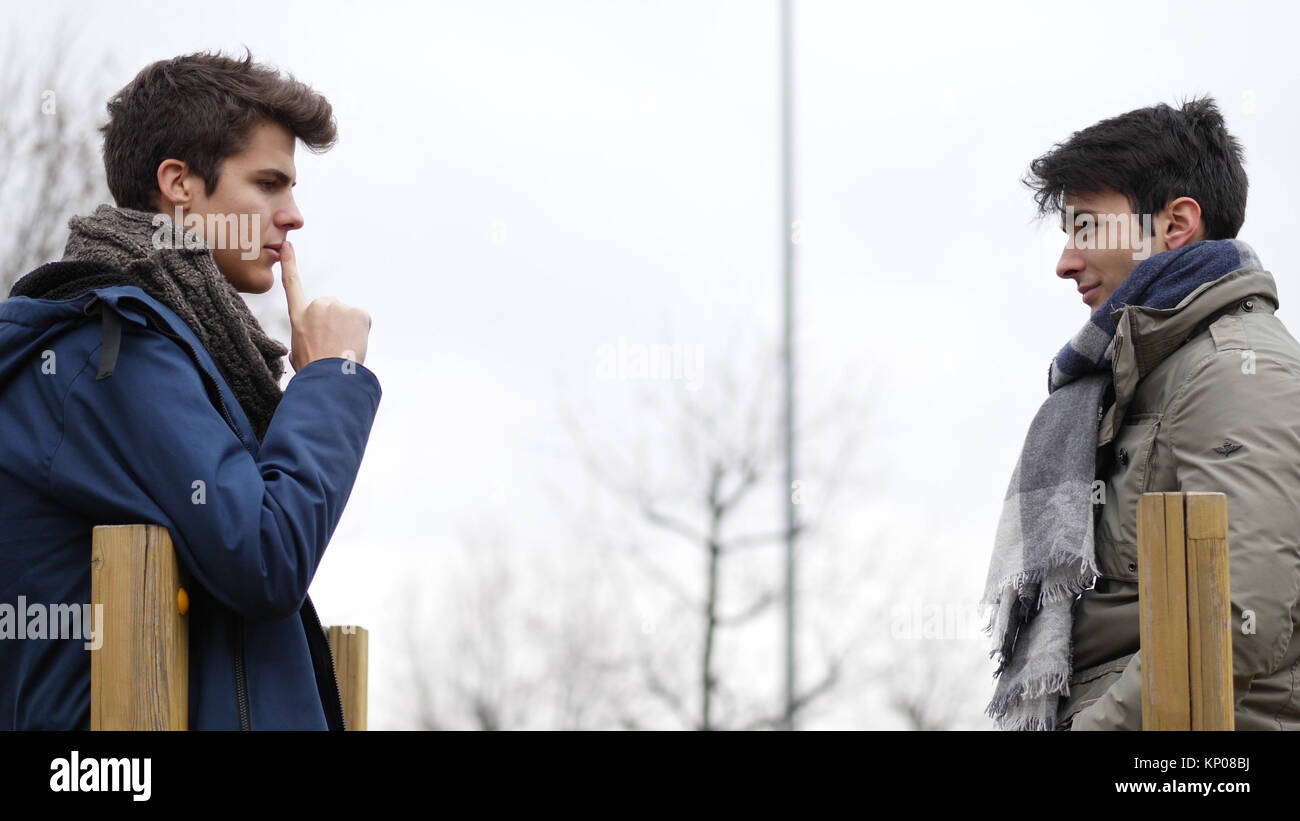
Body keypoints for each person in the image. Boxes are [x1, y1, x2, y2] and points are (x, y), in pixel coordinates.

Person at [0, 50, 380, 729]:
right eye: (268, 184)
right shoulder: (108, 349)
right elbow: (264, 557)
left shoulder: (173, 347)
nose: (292, 216)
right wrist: (332, 383)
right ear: (178, 182)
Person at [981, 96, 1300, 730]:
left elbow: (1241, 617)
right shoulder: (1133, 379)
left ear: (1177, 224)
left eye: (1088, 228)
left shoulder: (1236, 370)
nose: (1066, 261)